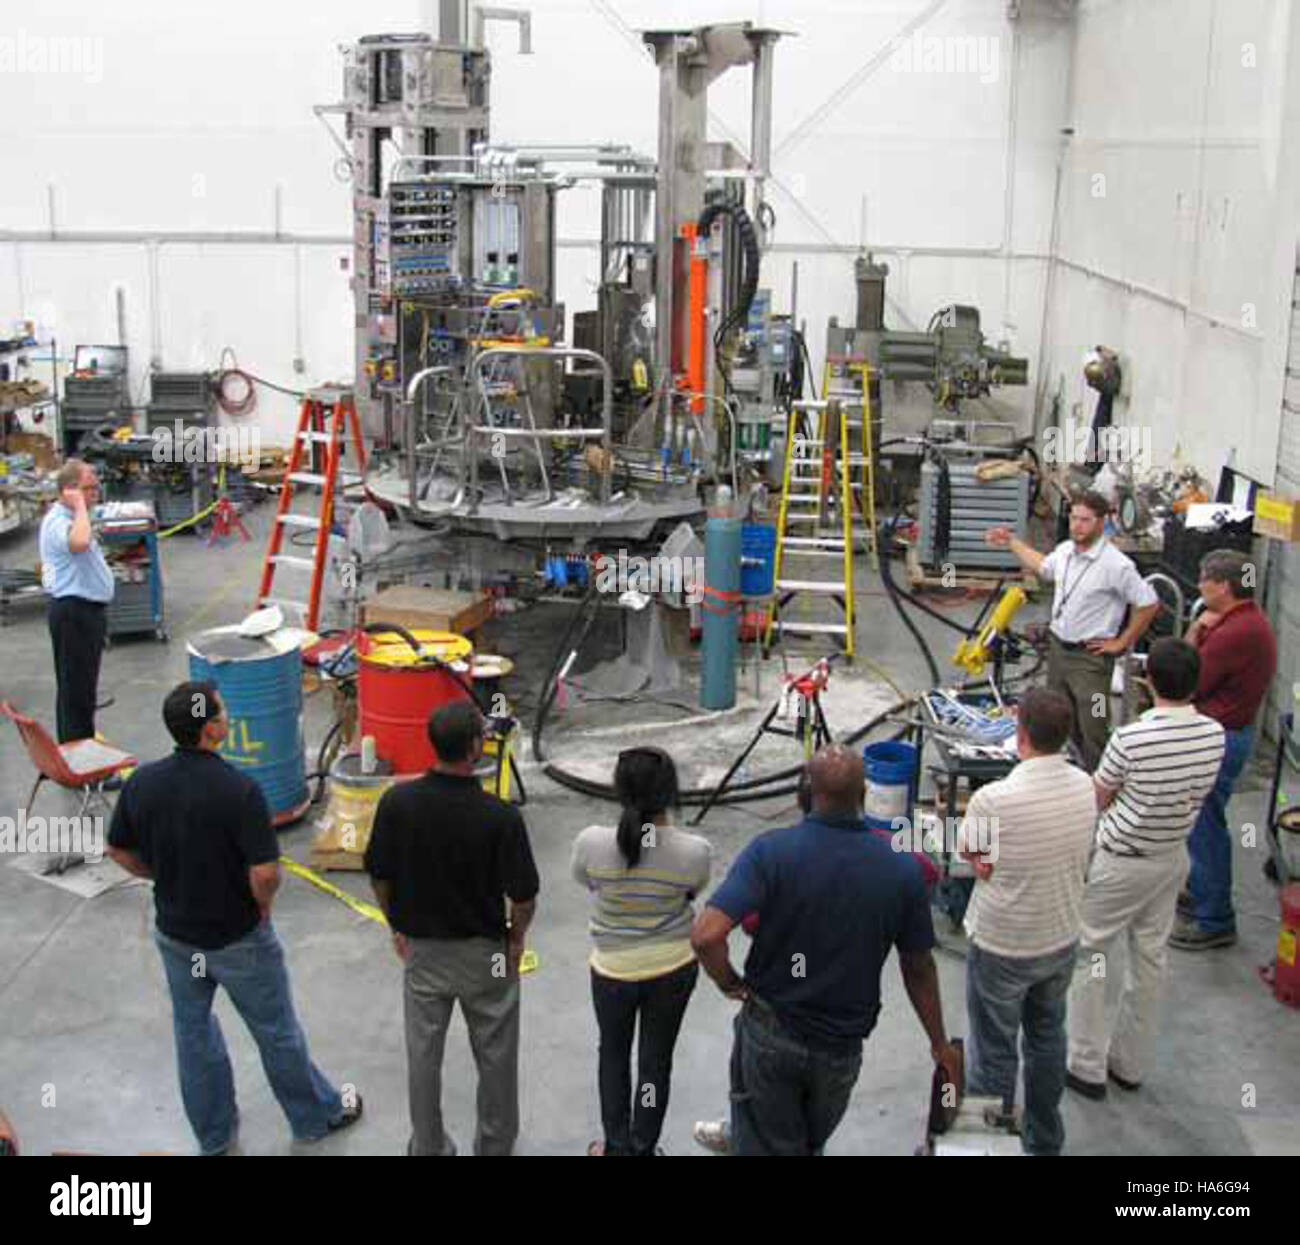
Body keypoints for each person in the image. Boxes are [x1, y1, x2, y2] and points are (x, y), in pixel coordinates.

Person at [106, 681, 360, 1155]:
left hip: (177, 938)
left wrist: (161, 873)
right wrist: (260, 904)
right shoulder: (238, 790)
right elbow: (265, 871)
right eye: (222, 713)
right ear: (209, 730)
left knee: (193, 1035)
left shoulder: (143, 782)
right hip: (238, 939)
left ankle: (215, 1136)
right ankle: (314, 1116)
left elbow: (118, 848)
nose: (228, 719)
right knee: (276, 1030)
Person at [690, 744, 960, 1157]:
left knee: (769, 1140)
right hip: (840, 1047)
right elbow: (918, 966)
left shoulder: (770, 852)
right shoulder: (902, 869)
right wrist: (938, 1043)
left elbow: (706, 935)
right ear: (864, 795)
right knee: (805, 1142)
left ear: (808, 790)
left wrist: (730, 982)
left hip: (771, 1033)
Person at [365, 699, 539, 1156]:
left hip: (423, 952)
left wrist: (396, 926)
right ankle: (496, 1145)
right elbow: (523, 896)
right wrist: (515, 940)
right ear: (475, 747)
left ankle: (427, 1145)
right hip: (489, 953)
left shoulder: (397, 803)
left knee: (423, 1056)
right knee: (497, 1055)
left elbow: (379, 875)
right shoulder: (500, 817)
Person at [1066, 639, 1224, 1098]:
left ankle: (1086, 1065)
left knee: (1092, 955)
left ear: (1147, 679)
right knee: (1150, 961)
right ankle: (1130, 1064)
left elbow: (1100, 796)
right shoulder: (1213, 735)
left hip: (1121, 862)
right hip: (1171, 859)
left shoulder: (1131, 738)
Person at [958, 687, 1095, 1156]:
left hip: (1003, 944)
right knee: (1047, 1037)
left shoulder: (994, 799)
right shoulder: (1085, 786)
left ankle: (988, 1147)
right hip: (1060, 937)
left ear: (1019, 734)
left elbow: (977, 859)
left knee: (993, 1051)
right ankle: (1044, 1141)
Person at [571, 747, 710, 1156]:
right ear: (671, 793)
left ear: (618, 791)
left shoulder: (590, 843)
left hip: (612, 971)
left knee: (612, 1057)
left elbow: (588, 881)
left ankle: (616, 1148)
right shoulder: (694, 851)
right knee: (655, 1063)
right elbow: (690, 892)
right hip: (673, 969)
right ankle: (643, 1146)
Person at [987, 491, 1159, 770]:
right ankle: (1062, 780)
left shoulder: (1117, 565)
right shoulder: (1066, 551)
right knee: (1056, 721)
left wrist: (1122, 642)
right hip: (1058, 651)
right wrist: (1011, 542)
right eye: (1074, 518)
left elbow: (1149, 603)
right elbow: (1044, 567)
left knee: (1094, 723)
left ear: (1102, 522)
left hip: (1090, 661)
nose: (1077, 525)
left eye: (1085, 520)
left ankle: (1097, 788)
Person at [1171, 550, 1277, 950]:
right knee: (1200, 822)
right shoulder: (1240, 621)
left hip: (1220, 740)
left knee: (1206, 828)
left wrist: (1196, 634)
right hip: (1225, 733)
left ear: (1224, 586)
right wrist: (1199, 627)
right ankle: (1200, 890)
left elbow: (1184, 682)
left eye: (1204, 579)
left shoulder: (1237, 633)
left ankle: (1214, 918)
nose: (1199, 585)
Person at [39, 459, 114, 742]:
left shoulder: (73, 517)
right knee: (77, 691)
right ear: (69, 491)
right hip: (73, 613)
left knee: (81, 687)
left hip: (85, 612)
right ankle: (81, 762)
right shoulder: (58, 521)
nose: (95, 493)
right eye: (88, 489)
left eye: (96, 487)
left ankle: (78, 746)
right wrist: (81, 507)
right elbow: (79, 543)